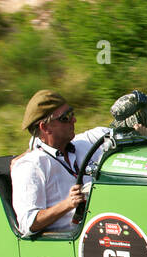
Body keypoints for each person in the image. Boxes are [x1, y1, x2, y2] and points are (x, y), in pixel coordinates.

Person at [11, 90, 95, 234]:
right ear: (45, 127)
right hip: (66, 242)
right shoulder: (31, 166)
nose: (74, 120)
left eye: (72, 113)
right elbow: (28, 223)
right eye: (65, 118)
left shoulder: (83, 144)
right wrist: (68, 204)